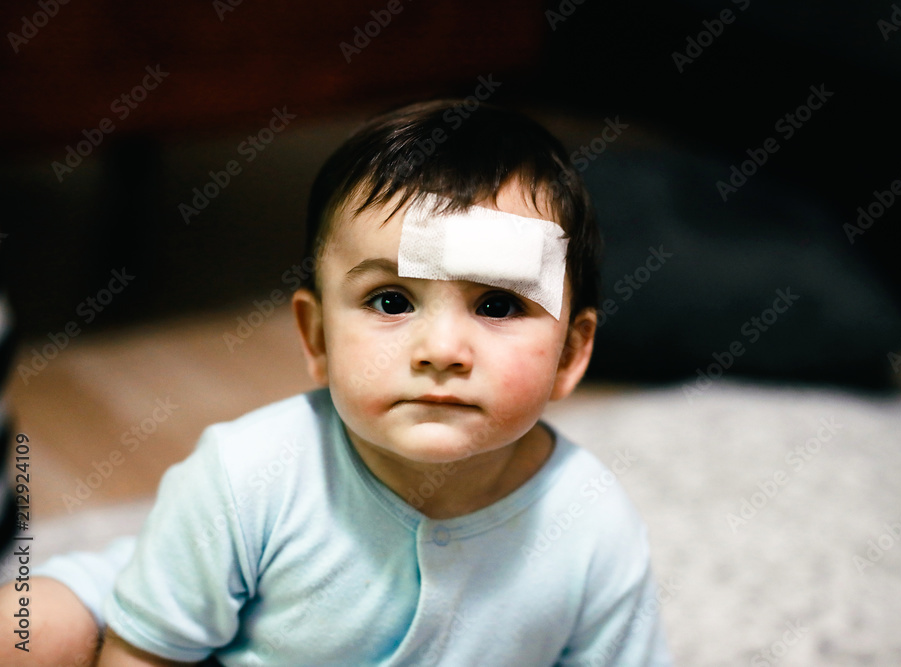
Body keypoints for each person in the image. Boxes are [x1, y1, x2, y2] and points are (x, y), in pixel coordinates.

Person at [0, 100, 671, 665]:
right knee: (29, 627)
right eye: (391, 301)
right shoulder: (247, 474)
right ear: (316, 336)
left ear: (570, 354)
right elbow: (145, 649)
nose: (441, 350)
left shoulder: (592, 525)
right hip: (163, 615)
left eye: (497, 305)